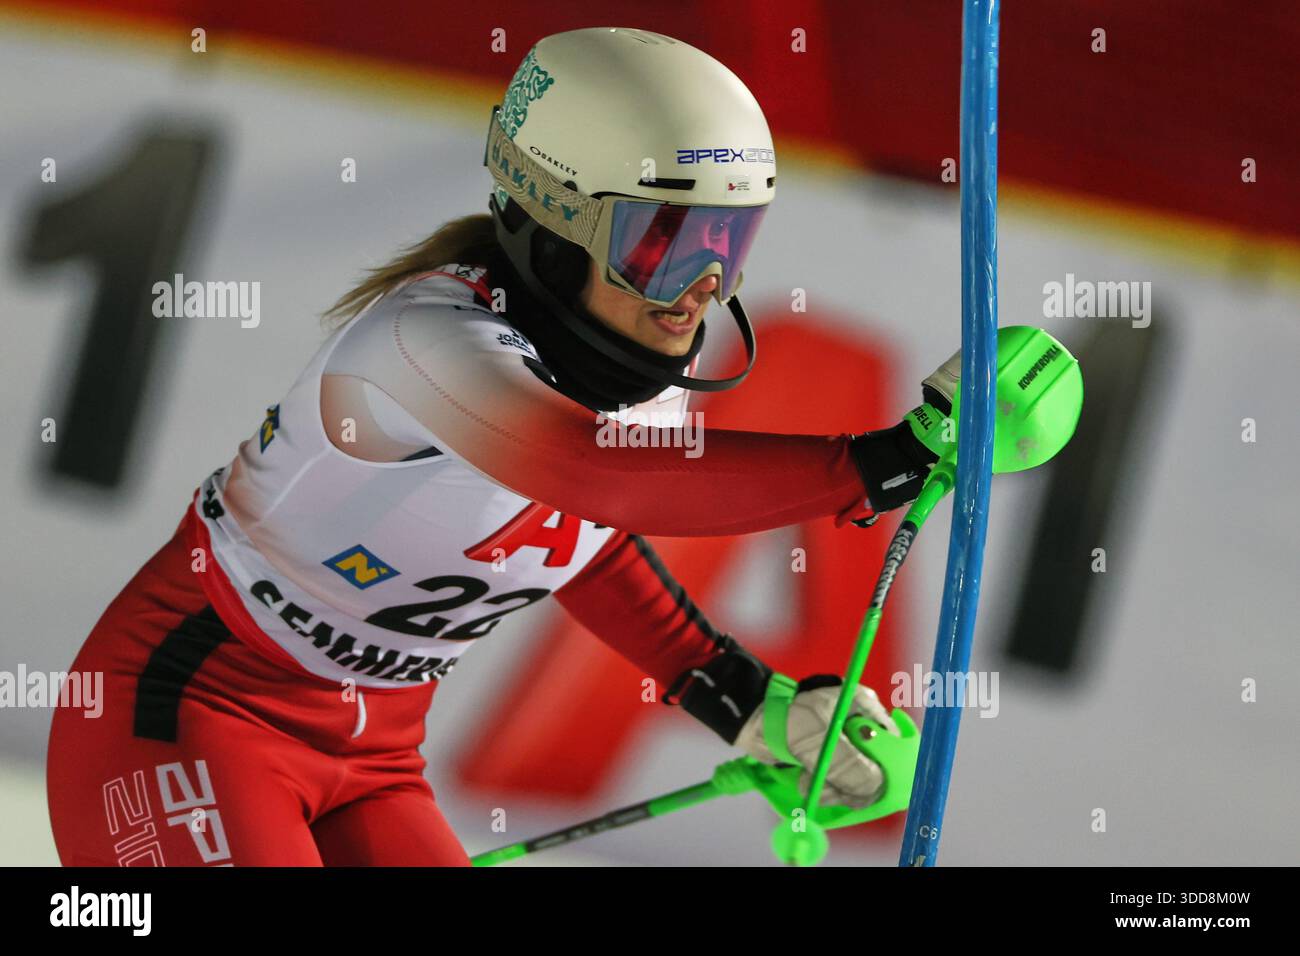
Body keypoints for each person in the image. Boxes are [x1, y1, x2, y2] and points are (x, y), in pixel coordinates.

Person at [47, 26, 956, 866]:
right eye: (664, 246)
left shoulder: (637, 388)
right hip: (192, 710)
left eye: (727, 241)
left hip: (374, 757)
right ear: (555, 225)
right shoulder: (425, 340)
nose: (699, 291)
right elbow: (591, 478)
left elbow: (582, 545)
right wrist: (875, 464)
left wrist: (744, 701)